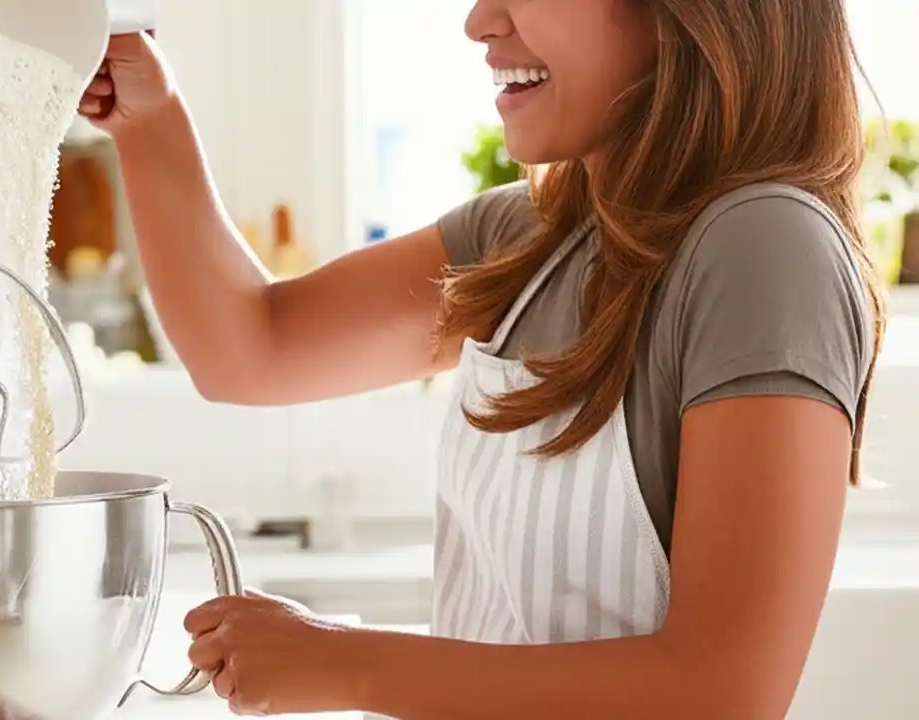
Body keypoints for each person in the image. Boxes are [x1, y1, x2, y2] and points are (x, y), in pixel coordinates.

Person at [80, 0, 881, 716]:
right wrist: (149, 120)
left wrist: (343, 663)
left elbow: (720, 692)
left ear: (685, 13)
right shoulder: (531, 238)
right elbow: (251, 349)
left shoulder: (765, 248)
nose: (479, 21)